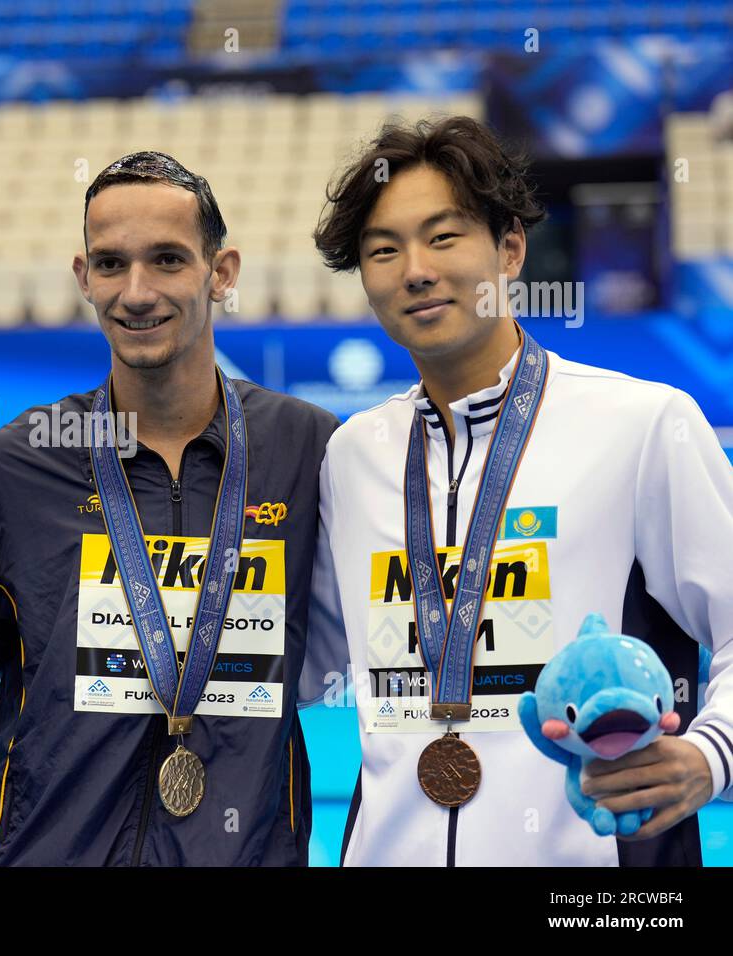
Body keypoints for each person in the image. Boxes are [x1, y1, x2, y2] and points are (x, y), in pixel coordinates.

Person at [301, 115, 733, 866]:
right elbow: (305, 664)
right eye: (383, 250)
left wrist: (710, 755)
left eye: (443, 237)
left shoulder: (642, 424)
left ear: (509, 250)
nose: (415, 270)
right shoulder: (352, 455)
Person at [0, 151, 339, 865]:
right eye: (111, 264)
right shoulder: (21, 463)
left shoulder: (307, 451)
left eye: (168, 260)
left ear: (223, 271)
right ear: (84, 279)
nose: (136, 292)